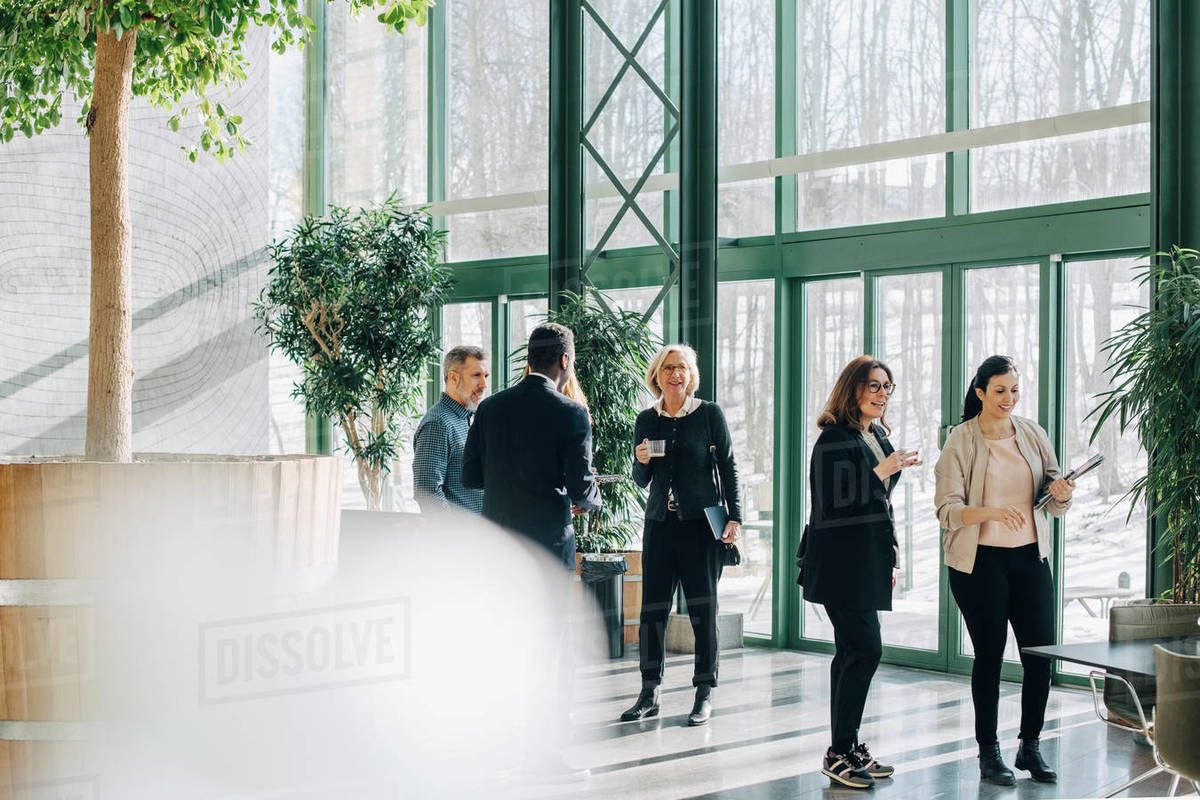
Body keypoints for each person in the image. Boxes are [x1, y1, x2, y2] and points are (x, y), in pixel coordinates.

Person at [934, 355, 1074, 786]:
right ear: (980, 392)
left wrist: (1062, 492)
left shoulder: (1032, 432)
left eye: (1014, 390)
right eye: (999, 390)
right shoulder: (961, 439)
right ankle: (988, 753)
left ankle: (1030, 747)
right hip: (980, 564)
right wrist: (990, 511)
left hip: (1031, 559)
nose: (1009, 398)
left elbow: (1055, 501)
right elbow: (946, 511)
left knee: (1040, 657)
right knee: (990, 658)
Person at [801, 356, 919, 789]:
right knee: (865, 650)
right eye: (873, 385)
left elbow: (880, 507)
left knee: (852, 652)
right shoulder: (834, 438)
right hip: (839, 565)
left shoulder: (877, 436)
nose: (882, 393)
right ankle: (839, 752)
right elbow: (834, 505)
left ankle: (845, 748)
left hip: (866, 561)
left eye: (887, 386)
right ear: (852, 389)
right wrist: (882, 471)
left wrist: (890, 558)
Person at [619, 344, 741, 727]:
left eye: (682, 368)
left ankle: (704, 692)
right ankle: (649, 692)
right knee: (652, 611)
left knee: (703, 611)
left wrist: (735, 518)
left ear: (691, 375)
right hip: (659, 525)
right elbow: (642, 480)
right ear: (657, 375)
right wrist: (639, 461)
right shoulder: (646, 419)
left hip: (701, 528)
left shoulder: (709, 414)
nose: (675, 374)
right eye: (668, 368)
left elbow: (729, 468)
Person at [462, 323, 601, 568]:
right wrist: (593, 498)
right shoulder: (572, 413)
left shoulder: (489, 407)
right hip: (547, 551)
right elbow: (581, 489)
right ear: (565, 360)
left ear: (529, 360)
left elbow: (471, 477)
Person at [412, 345, 490, 514]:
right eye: (476, 375)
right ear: (453, 378)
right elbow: (427, 491)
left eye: (486, 376)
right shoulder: (437, 424)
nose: (484, 385)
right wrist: (456, 529)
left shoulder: (470, 418)